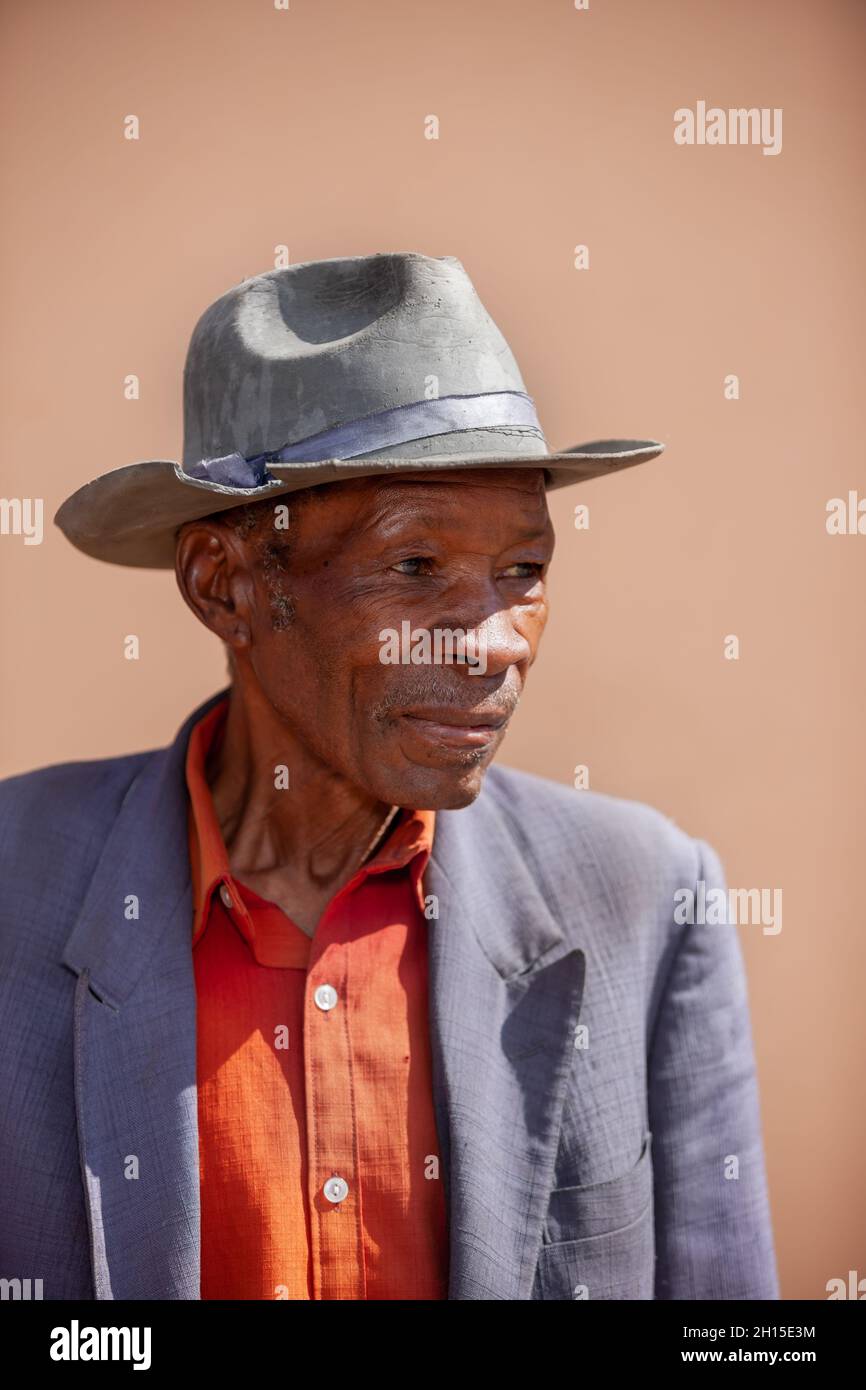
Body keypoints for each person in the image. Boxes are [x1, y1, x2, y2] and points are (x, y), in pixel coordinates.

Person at [0, 252, 779, 1299]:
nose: (494, 641)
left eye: (523, 572)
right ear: (224, 586)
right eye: (414, 568)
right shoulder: (17, 889)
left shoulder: (645, 898)